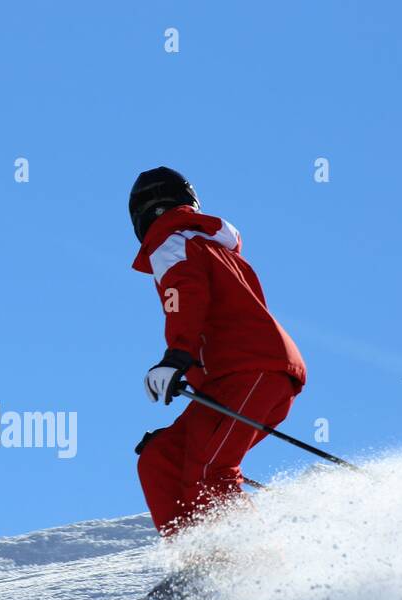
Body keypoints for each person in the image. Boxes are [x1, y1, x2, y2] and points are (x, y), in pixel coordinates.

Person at [130, 167, 307, 535]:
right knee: (162, 458)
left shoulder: (170, 240)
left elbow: (186, 296)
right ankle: (196, 568)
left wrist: (176, 357)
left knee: (212, 471)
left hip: (251, 370)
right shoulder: (206, 244)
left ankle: (253, 567)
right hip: (233, 377)